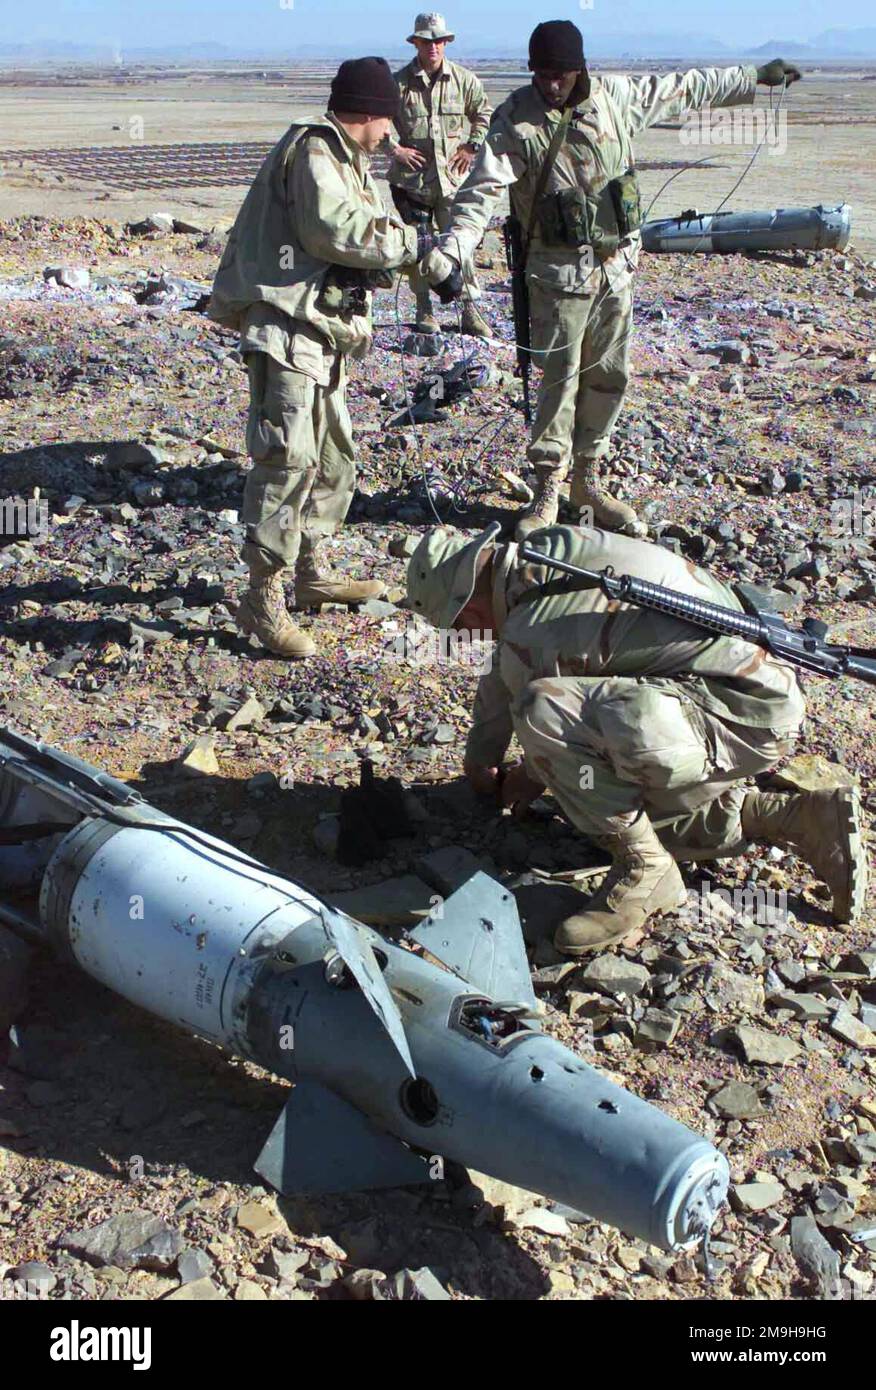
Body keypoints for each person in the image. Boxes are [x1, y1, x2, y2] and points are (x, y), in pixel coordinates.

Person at [406, 521, 867, 955]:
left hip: (735, 712)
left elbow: (528, 687)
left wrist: (533, 772)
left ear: (470, 605)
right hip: (753, 687)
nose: (464, 636)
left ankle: (644, 867)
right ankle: (799, 817)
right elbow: (507, 662)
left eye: (458, 626)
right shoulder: (549, 552)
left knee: (548, 722)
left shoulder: (535, 633)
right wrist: (481, 756)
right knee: (606, 796)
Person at [419, 19, 802, 538]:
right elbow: (481, 192)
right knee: (557, 383)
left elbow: (685, 87)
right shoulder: (515, 119)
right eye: (543, 74)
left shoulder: (616, 98)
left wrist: (753, 76)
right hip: (556, 278)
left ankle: (588, 482)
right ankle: (548, 488)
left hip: (616, 270)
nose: (551, 83)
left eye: (561, 73)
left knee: (609, 376)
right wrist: (452, 252)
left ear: (581, 69)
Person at [209, 58, 432, 657]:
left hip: (320, 332)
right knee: (286, 459)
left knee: (334, 456)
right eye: (387, 118)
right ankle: (263, 596)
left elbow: (360, 238)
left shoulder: (347, 159)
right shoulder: (314, 153)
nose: (391, 132)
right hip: (286, 329)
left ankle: (312, 572)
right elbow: (334, 231)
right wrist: (414, 246)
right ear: (367, 112)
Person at [387, 11, 493, 337]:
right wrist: (396, 149)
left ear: (446, 42)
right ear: (415, 42)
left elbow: (484, 113)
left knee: (458, 246)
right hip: (412, 184)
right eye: (425, 41)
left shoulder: (464, 80)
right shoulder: (399, 83)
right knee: (420, 246)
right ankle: (424, 310)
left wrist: (472, 146)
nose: (432, 47)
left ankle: (468, 311)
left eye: (438, 41)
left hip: (451, 184)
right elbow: (373, 121)